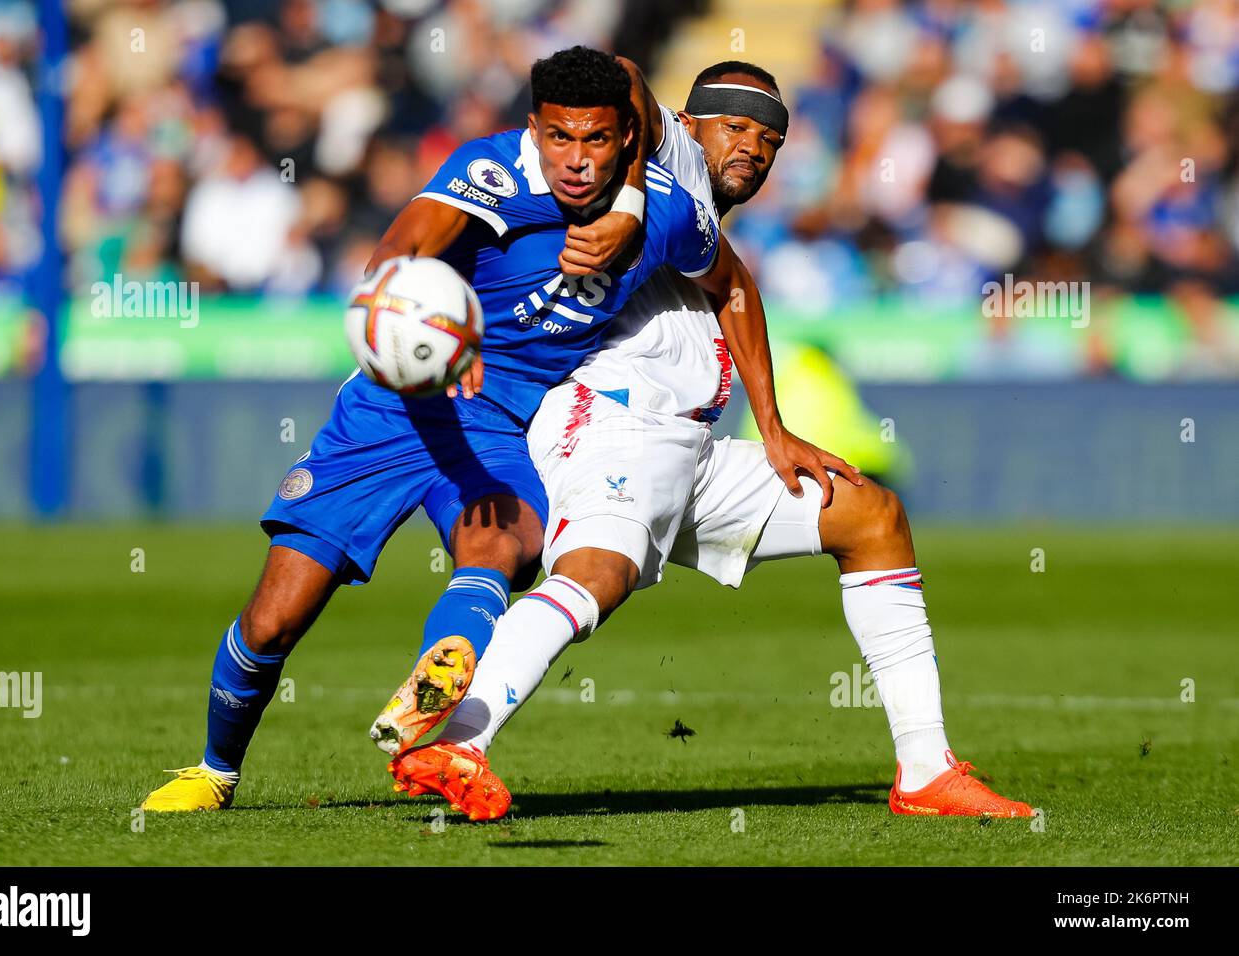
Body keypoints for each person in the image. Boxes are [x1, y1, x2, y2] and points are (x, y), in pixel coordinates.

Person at [140, 46, 818, 811]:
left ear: (626, 140)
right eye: (558, 137)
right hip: (394, 410)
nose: (575, 160)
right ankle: (213, 772)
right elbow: (399, 249)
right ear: (535, 129)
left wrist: (773, 426)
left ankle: (440, 694)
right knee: (274, 618)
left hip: (499, 423)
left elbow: (731, 286)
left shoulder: (664, 212)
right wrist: (428, 323)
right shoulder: (494, 173)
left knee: (506, 543)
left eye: (596, 140)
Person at [387, 60, 1034, 822]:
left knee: (871, 517)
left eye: (770, 140)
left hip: (683, 446)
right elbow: (623, 72)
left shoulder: (695, 213)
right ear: (684, 124)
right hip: (611, 422)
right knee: (599, 573)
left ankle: (926, 770)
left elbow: (733, 288)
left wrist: (777, 432)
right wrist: (628, 196)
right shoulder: (668, 155)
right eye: (737, 126)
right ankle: (458, 739)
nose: (753, 148)